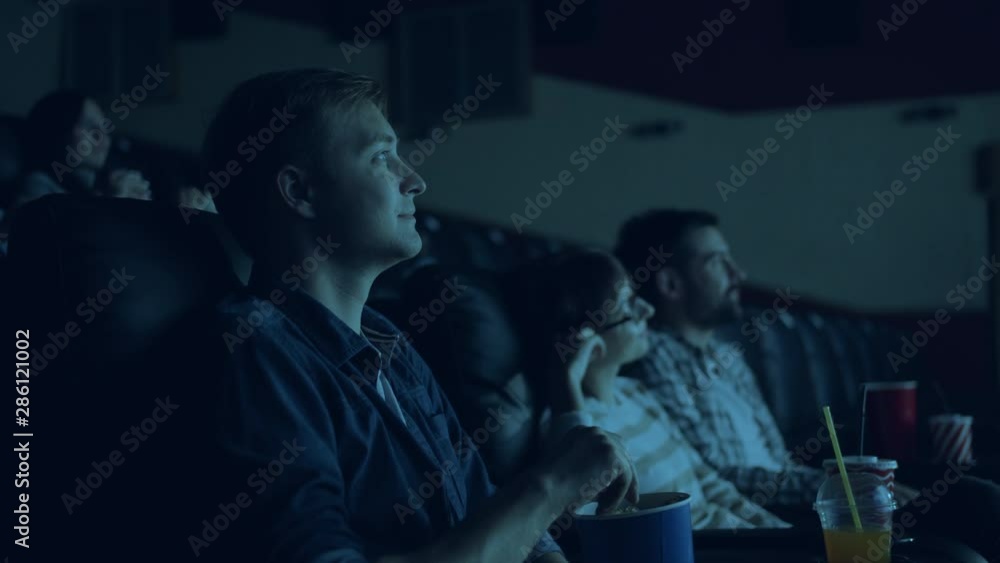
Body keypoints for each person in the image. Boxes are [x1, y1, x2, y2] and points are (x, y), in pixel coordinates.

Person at [201, 68, 639, 563]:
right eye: (382, 158)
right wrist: (551, 484)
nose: (414, 179)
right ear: (300, 192)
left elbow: (483, 505)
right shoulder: (257, 350)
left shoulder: (388, 340)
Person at [614, 209, 1000, 559]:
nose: (739, 274)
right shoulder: (651, 359)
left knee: (977, 495)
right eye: (719, 262)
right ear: (669, 284)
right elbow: (715, 473)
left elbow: (777, 455)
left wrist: (844, 483)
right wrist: (833, 487)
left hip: (806, 493)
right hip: (779, 510)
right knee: (970, 514)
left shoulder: (725, 353)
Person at [532, 249, 789, 530]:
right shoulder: (568, 425)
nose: (649, 310)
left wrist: (782, 535)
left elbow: (710, 483)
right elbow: (574, 513)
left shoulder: (637, 393)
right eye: (628, 307)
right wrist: (567, 382)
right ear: (586, 339)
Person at [10, 89, 150, 211]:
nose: (102, 136)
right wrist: (117, 202)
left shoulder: (106, 185)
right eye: (90, 126)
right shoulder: (38, 184)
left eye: (104, 128)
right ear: (58, 129)